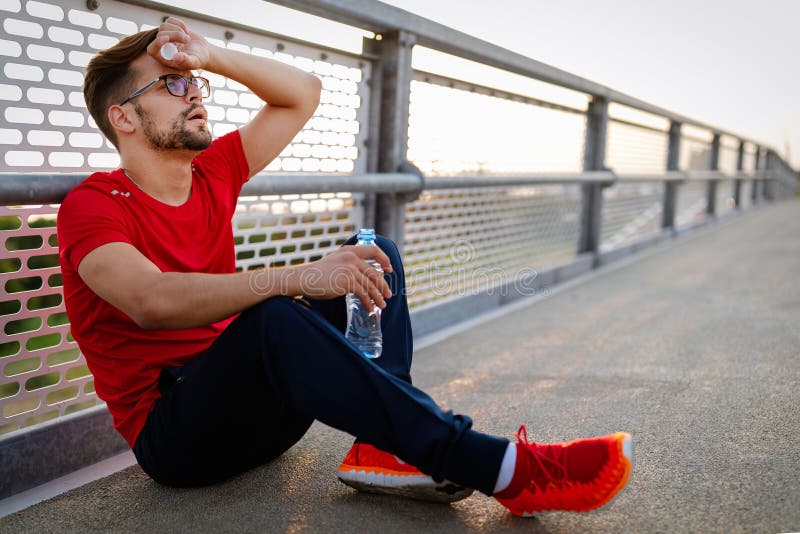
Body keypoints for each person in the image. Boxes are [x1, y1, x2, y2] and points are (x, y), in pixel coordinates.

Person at [57, 17, 633, 516]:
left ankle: (382, 450)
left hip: (263, 417)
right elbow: (150, 300)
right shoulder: (93, 206)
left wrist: (210, 55)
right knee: (275, 316)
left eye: (195, 80)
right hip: (179, 441)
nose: (195, 92)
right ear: (124, 118)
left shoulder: (213, 172)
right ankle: (498, 468)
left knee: (371, 252)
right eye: (173, 82)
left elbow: (302, 93)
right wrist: (299, 276)